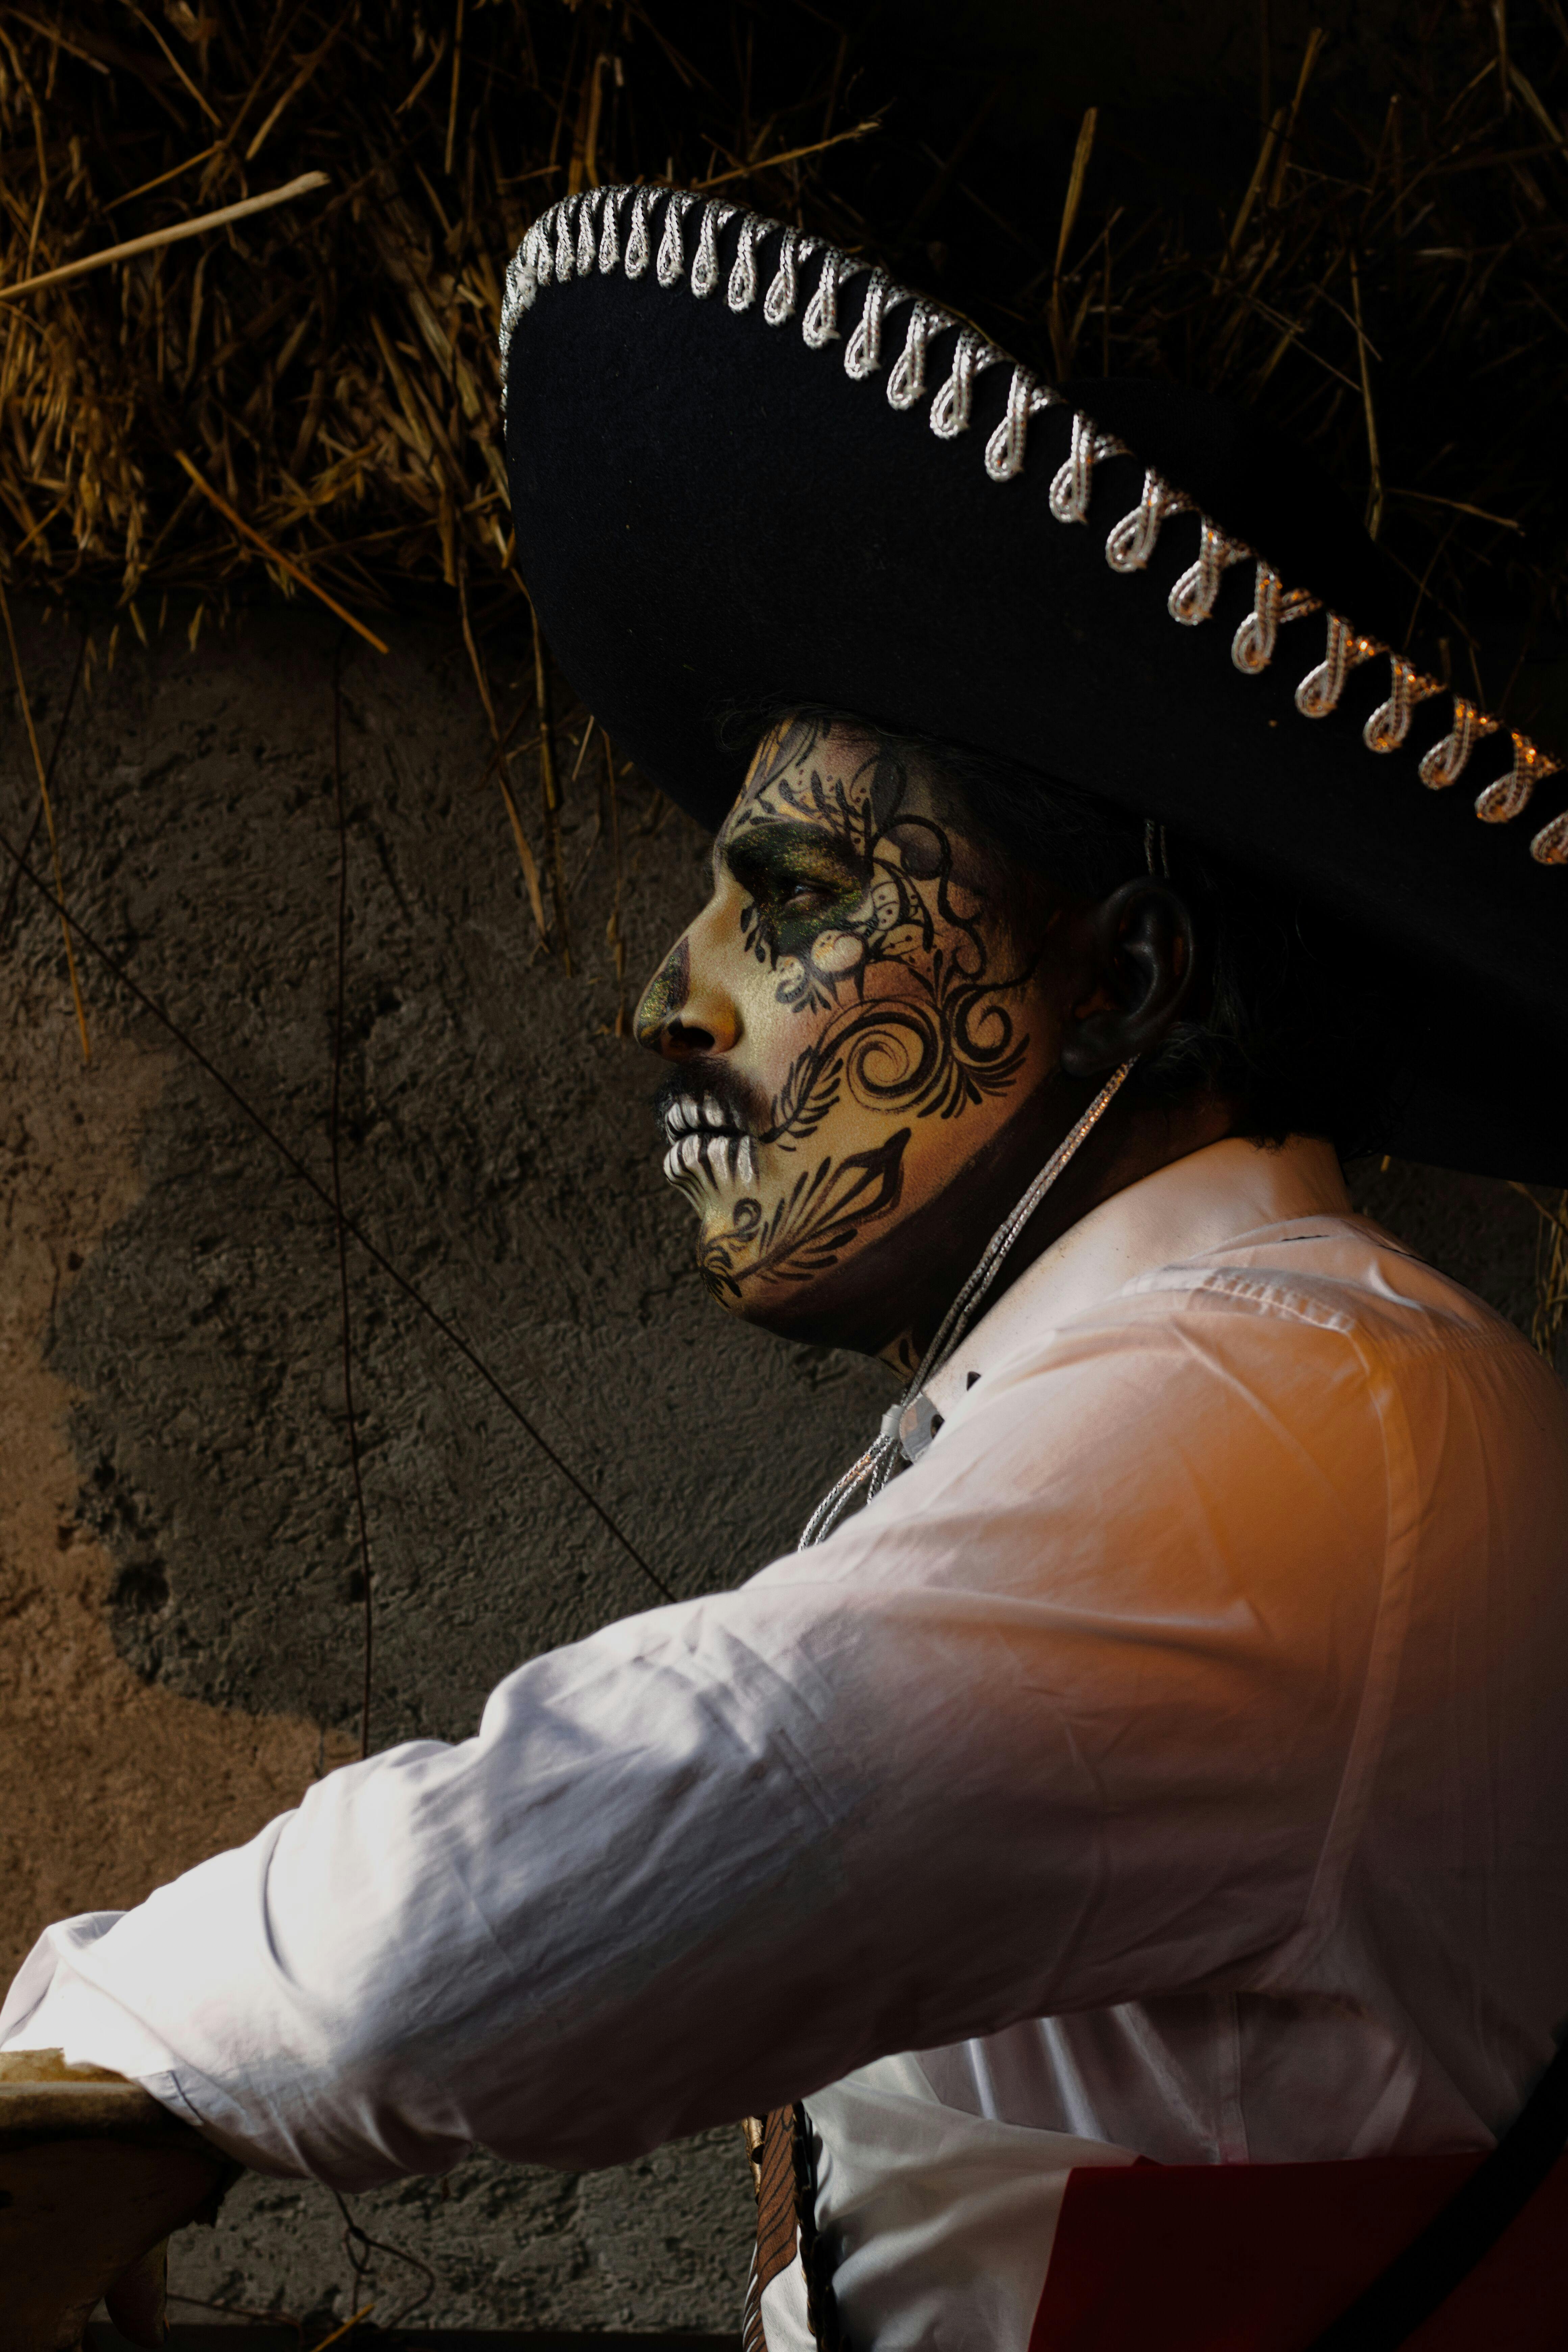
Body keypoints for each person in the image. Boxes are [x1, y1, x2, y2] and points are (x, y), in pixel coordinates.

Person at [6, 182, 1568, 2352]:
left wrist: (79, 2066)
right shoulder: (1243, 1386)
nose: (674, 992)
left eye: (795, 895)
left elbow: (513, 1898)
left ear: (1119, 974)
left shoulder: (1299, 1410)